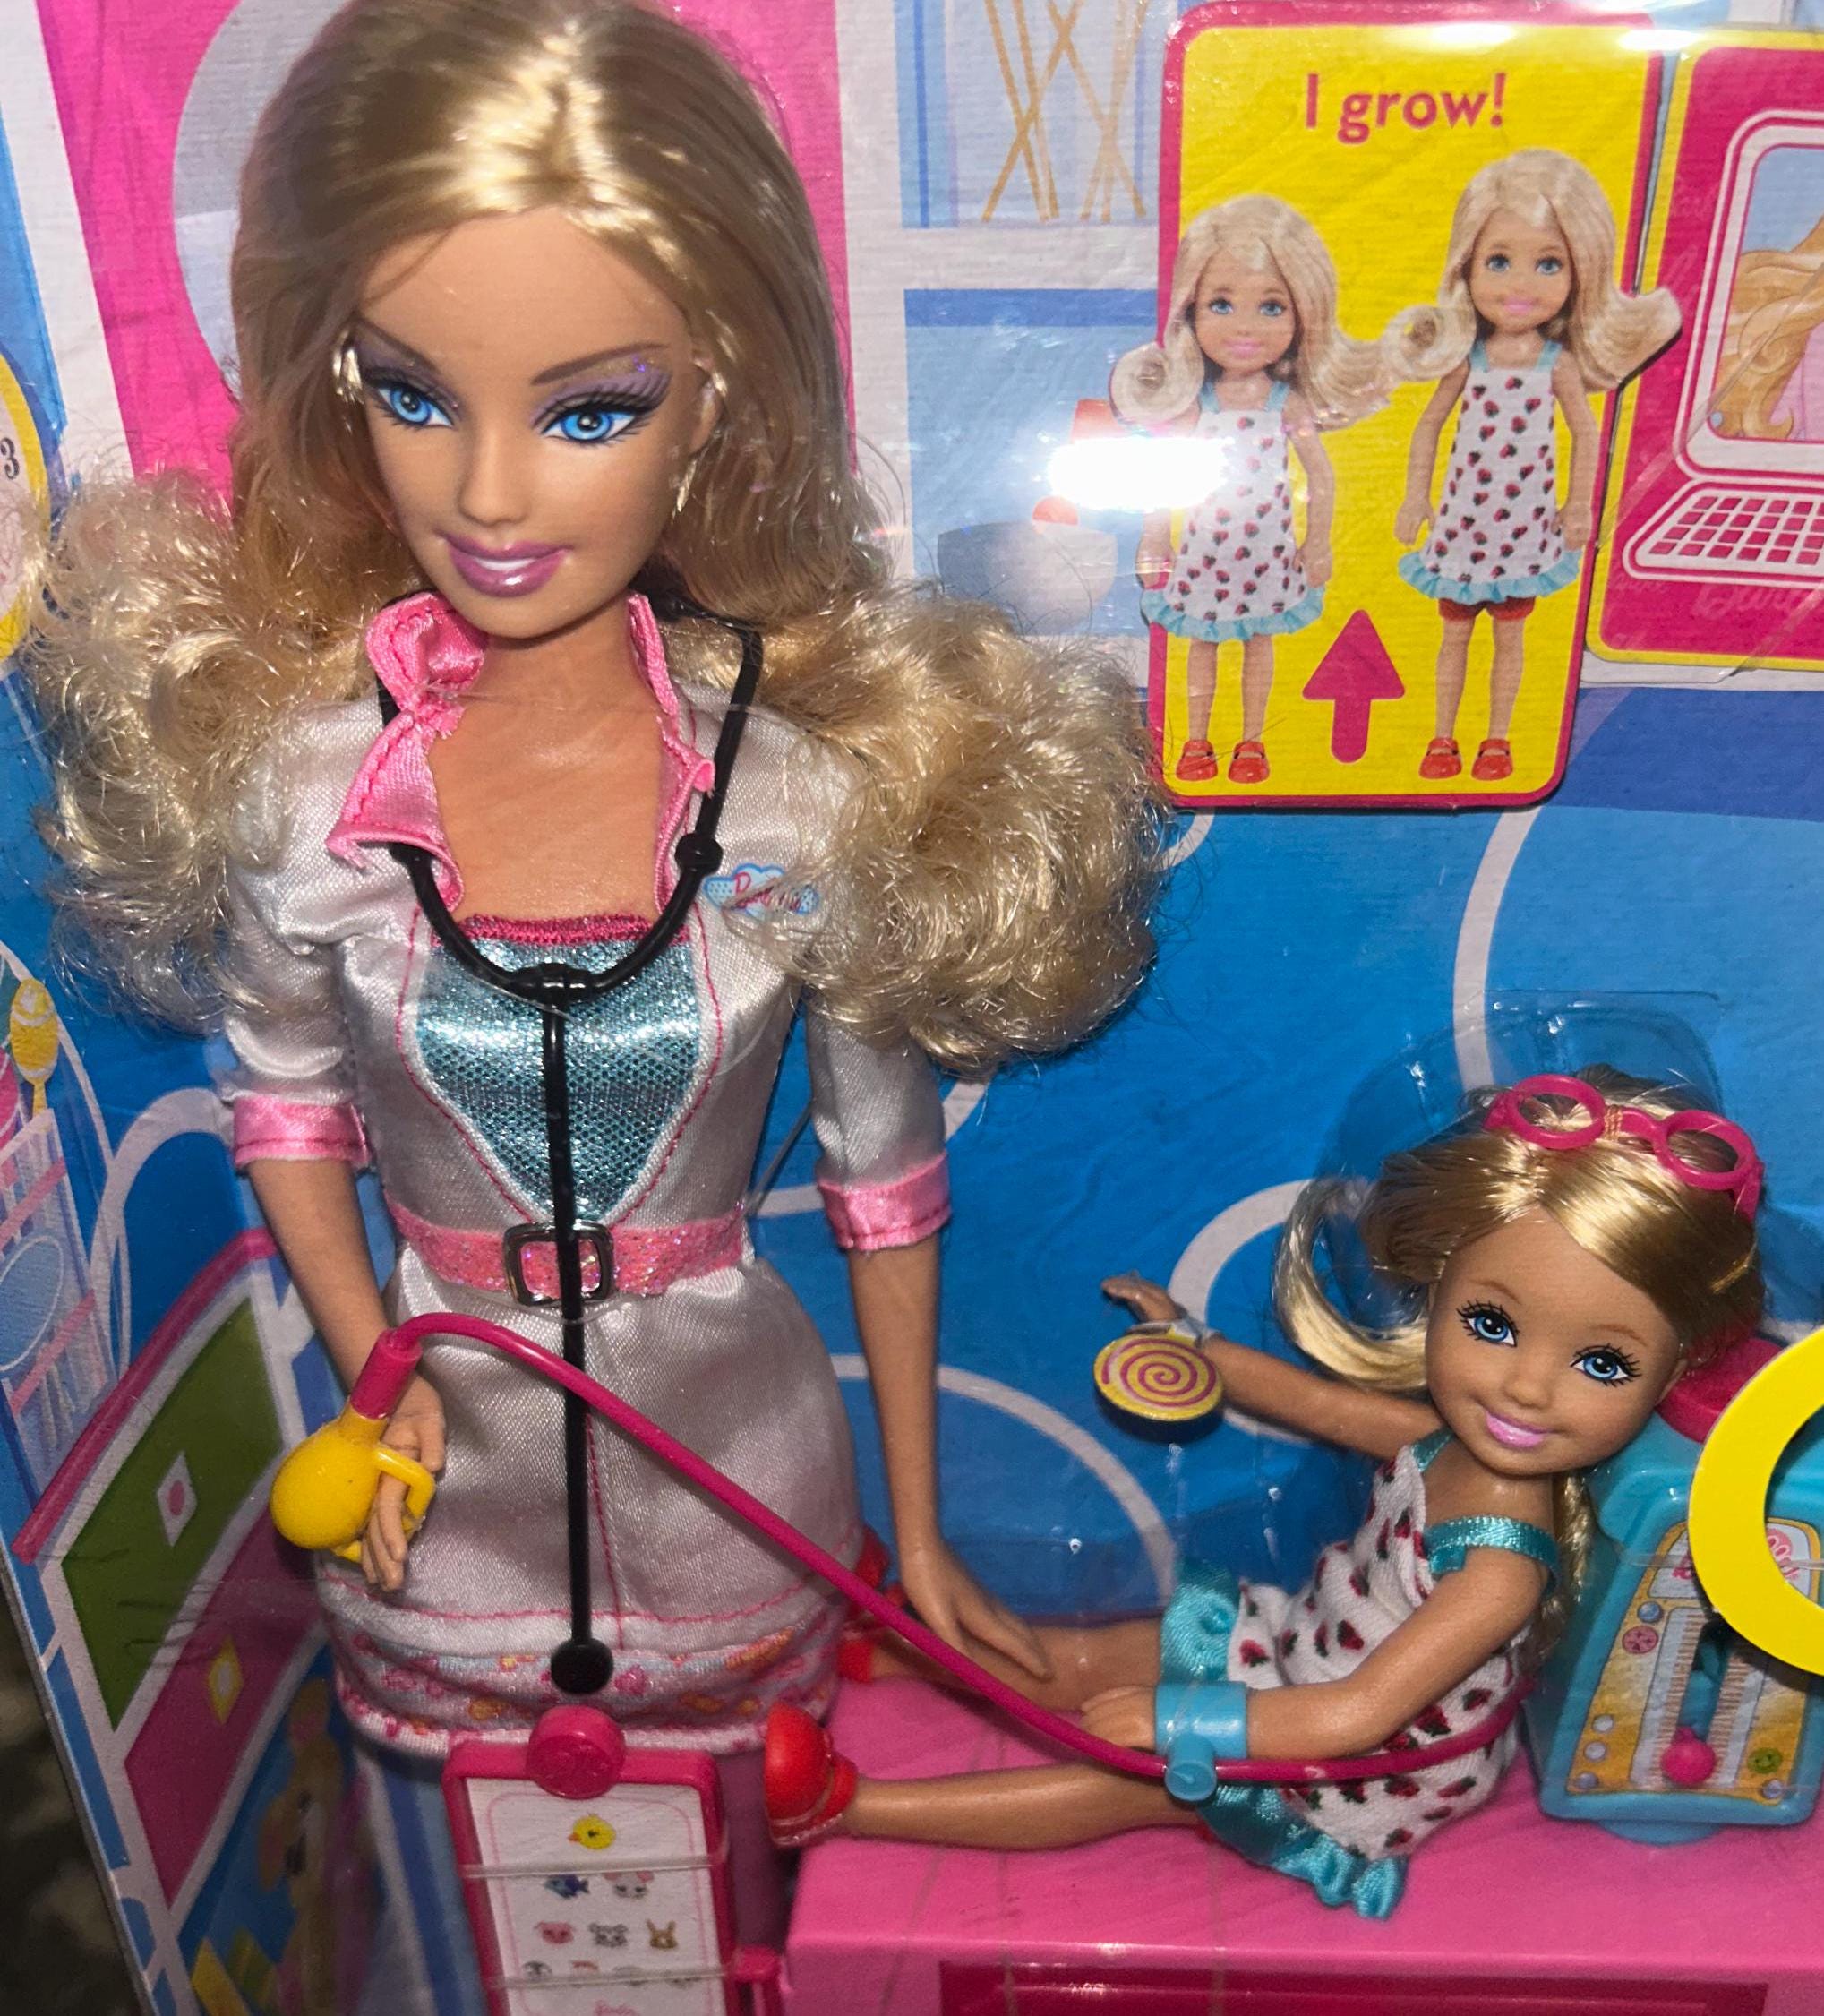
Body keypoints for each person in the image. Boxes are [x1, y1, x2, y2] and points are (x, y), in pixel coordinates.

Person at [24, 0, 1156, 1763]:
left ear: (712, 399)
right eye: (414, 394)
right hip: (436, 1498)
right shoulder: (310, 795)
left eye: (590, 409)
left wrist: (918, 1539)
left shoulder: (796, 800)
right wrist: (375, 1370)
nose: (486, 493)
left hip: (737, 1487)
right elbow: (288, 1110)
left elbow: (881, 1181)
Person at [764, 1069, 1763, 1917]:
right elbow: (1318, 1404)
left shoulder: (1499, 1568)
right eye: (1491, 1325)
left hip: (1358, 1768)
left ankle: (848, 1806)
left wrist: (1181, 1724)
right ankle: (901, 1655)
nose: (1527, 1388)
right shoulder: (1440, 1440)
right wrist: (1193, 1347)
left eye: (1602, 1363)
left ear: (1673, 1373)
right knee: (1096, 1652)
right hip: (1298, 1646)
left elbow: (1357, 1715)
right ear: (1440, 1289)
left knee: (1121, 1781)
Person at [1386, 151, 1679, 784]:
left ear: (1579, 274)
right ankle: (1442, 735)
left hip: (1523, 529)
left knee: (1511, 637)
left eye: (1548, 264)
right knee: (1454, 635)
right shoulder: (1467, 358)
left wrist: (1579, 505)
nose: (1521, 284)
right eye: (1498, 261)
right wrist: (1415, 497)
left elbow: (1585, 432)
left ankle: (1497, 738)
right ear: (1466, 266)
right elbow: (1429, 423)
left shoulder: (1556, 363)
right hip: (1463, 526)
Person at [1115, 195, 1380, 789]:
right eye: (1221, 304)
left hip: (1267, 555)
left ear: (1301, 315)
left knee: (1260, 643)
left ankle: (1252, 741)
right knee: (1202, 646)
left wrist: (1318, 542)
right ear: (1191, 310)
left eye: (1270, 307)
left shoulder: (1286, 403)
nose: (1244, 326)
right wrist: (1154, 537)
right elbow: (1164, 473)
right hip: (1205, 554)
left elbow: (1321, 476)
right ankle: (1197, 740)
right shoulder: (1195, 404)